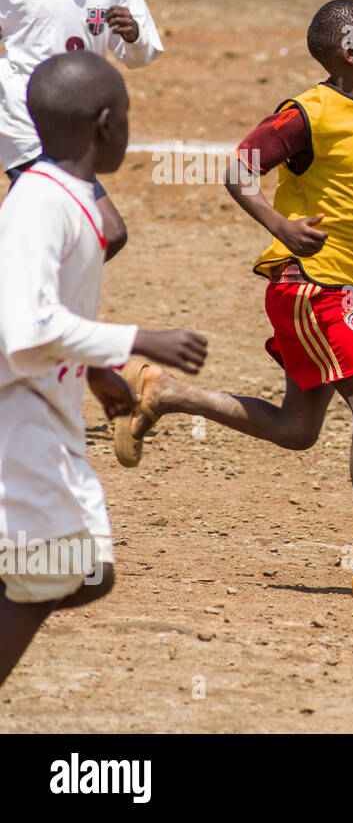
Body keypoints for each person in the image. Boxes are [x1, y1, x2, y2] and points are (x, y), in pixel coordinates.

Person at [113, 0, 353, 601]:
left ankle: (166, 393)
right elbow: (239, 169)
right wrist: (280, 225)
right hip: (307, 284)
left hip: (343, 283)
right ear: (352, 53)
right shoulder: (308, 114)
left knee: (298, 429)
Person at [0, 52, 206, 686]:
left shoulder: (71, 198)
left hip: (44, 412)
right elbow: (23, 328)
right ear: (108, 123)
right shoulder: (40, 203)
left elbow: (45, 312)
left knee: (88, 572)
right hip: (19, 418)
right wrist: (137, 340)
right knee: (54, 574)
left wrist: (93, 372)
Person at [0, 0, 165, 260]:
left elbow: (139, 56)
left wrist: (135, 35)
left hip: (75, 124)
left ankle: (34, 306)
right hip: (24, 117)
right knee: (106, 229)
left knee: (43, 231)